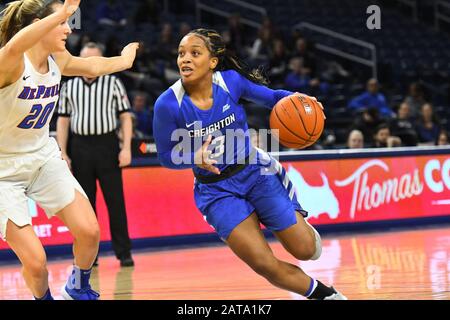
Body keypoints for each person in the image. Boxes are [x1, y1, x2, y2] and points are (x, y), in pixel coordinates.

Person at [153, 28, 346, 300]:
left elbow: (274, 98)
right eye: (181, 53)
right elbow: (165, 155)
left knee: (307, 250)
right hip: (216, 191)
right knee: (264, 264)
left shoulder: (230, 82)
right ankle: (327, 296)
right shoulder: (167, 104)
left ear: (212, 61)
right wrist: (192, 157)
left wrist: (303, 101)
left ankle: (292, 220)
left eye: (194, 53)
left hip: (255, 172)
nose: (185, 59)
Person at [0, 0, 138, 300]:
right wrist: (61, 12)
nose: (67, 28)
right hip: (2, 173)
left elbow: (90, 65)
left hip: (42, 157)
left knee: (89, 232)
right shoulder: (11, 62)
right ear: (39, 24)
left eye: (67, 21)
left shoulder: (56, 60)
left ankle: (77, 287)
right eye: (61, 22)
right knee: (36, 264)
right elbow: (12, 47)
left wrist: (123, 61)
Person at [56, 42, 135, 268]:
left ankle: (124, 252)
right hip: (80, 147)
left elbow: (125, 116)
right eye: (84, 59)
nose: (89, 64)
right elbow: (63, 120)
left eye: (93, 59)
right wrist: (63, 151)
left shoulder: (113, 82)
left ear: (100, 61)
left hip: (107, 145)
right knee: (85, 206)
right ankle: (91, 256)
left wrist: (126, 147)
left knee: (115, 203)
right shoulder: (69, 86)